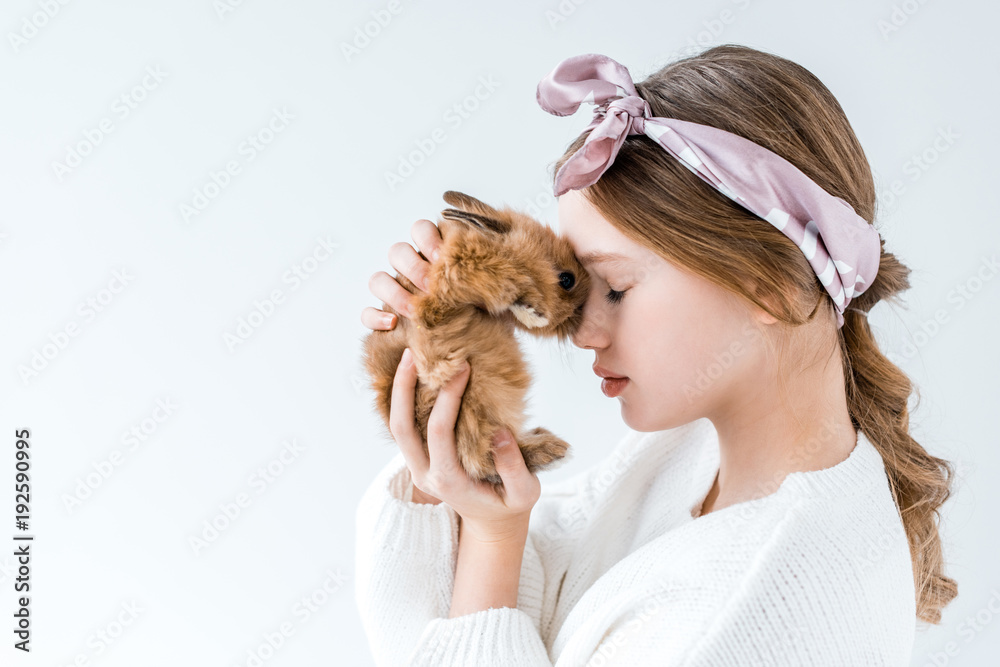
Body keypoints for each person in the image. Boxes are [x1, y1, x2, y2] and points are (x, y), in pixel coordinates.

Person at [355, 45, 958, 666]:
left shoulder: (743, 617)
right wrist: (447, 364)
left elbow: (494, 601)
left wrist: (489, 537)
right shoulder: (695, 452)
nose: (582, 333)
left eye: (615, 289)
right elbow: (544, 585)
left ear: (768, 287)